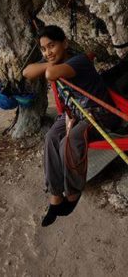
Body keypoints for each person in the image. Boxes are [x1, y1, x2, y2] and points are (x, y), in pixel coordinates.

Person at [22, 25, 121, 227]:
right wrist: (47, 62)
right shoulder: (52, 61)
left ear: (65, 43)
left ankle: (73, 193)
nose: (48, 52)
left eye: (52, 46)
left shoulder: (79, 61)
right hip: (72, 113)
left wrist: (47, 65)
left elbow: (51, 74)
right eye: (43, 49)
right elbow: (27, 72)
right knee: (50, 137)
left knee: (70, 140)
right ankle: (55, 196)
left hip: (98, 114)